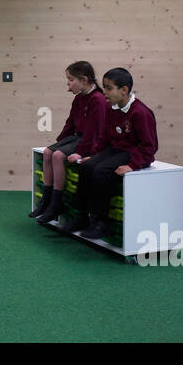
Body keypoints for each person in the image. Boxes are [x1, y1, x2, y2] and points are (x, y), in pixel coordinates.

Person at [62, 67, 158, 241]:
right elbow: (105, 136)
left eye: (108, 88)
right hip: (116, 150)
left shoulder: (141, 113)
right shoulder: (111, 108)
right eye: (104, 87)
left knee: (101, 171)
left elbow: (149, 147)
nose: (104, 92)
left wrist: (132, 165)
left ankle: (101, 223)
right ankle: (81, 216)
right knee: (87, 166)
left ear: (124, 90)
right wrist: (94, 154)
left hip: (134, 154)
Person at [32, 61, 108, 222]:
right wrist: (60, 141)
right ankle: (47, 199)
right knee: (47, 152)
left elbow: (95, 132)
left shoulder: (98, 100)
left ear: (84, 80)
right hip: (77, 137)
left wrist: (80, 152)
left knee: (58, 156)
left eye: (71, 79)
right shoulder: (79, 98)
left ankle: (57, 202)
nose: (68, 83)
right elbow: (70, 123)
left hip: (90, 140)